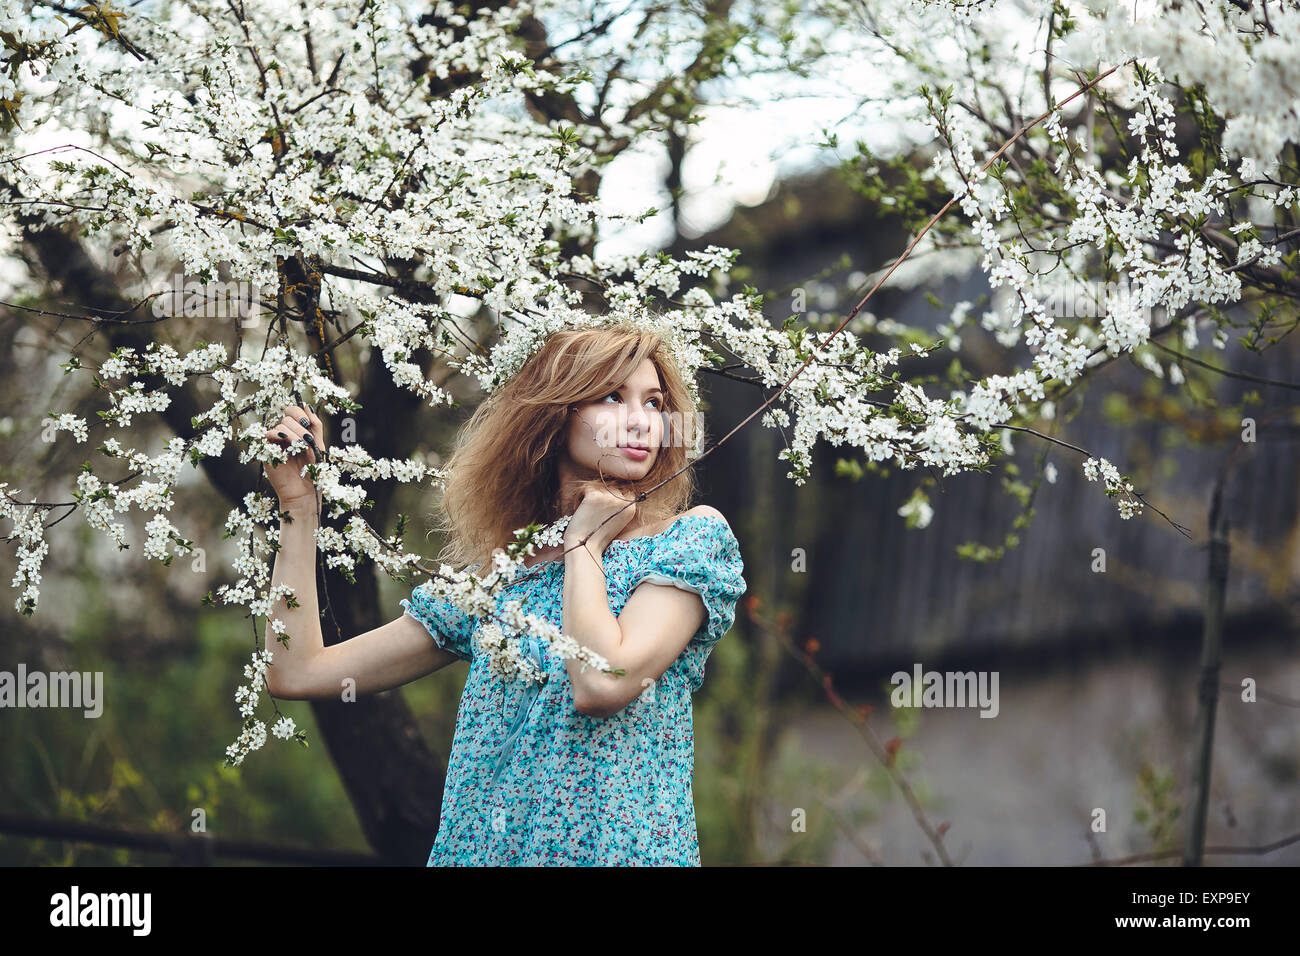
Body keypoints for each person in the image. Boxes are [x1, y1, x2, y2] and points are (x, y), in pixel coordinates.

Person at [260, 321, 747, 865]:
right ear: (555, 415)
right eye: (612, 396)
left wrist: (584, 545)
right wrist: (299, 509)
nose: (640, 421)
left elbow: (602, 682)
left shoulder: (688, 542)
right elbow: (296, 671)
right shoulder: (498, 581)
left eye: (654, 403)